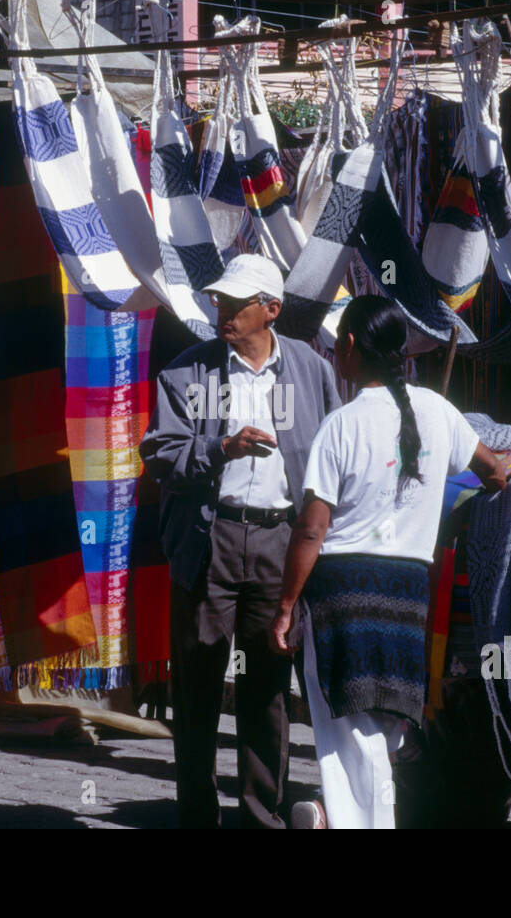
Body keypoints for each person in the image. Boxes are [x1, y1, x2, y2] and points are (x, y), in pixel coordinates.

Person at [269, 295, 507, 828]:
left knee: (349, 728)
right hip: (405, 591)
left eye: (337, 346)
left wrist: (286, 605)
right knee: (384, 724)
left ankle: (353, 821)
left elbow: (312, 527)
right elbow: (495, 472)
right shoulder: (440, 412)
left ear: (350, 346)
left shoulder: (342, 424)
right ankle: (348, 816)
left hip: (342, 594)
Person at [140, 254, 341, 828]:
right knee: (199, 683)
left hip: (281, 542)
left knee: (268, 686)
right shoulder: (186, 372)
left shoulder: (310, 370)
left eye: (235, 303)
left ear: (270, 310)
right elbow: (160, 455)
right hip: (212, 537)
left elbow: (331, 455)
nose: (221, 311)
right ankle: (197, 815)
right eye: (219, 301)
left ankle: (261, 815)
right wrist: (220, 449)